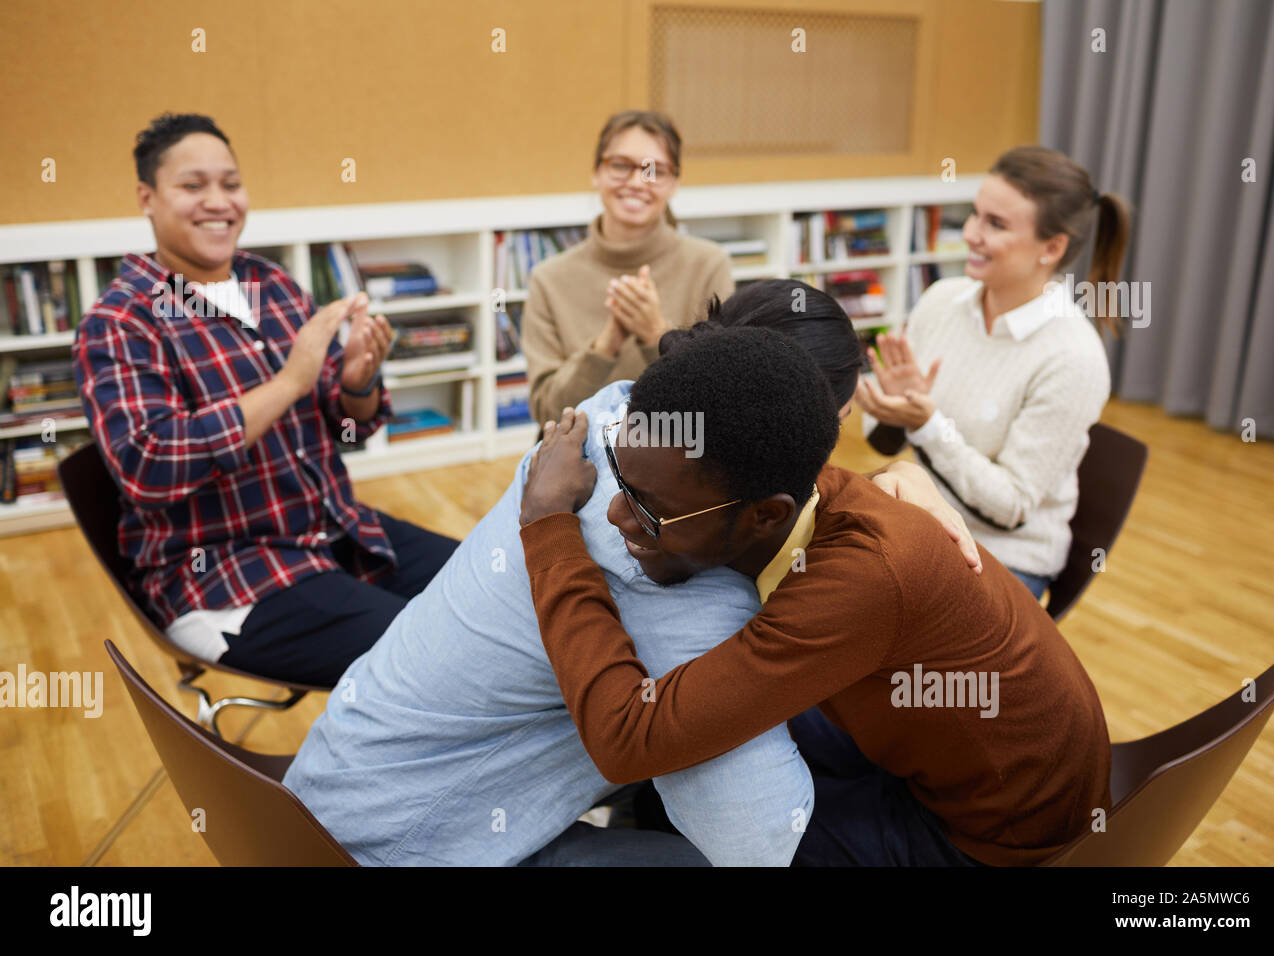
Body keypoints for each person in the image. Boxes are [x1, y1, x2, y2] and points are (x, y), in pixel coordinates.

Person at [517, 324, 1113, 867]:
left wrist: (548, 527)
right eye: (624, 482)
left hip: (995, 844)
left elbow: (628, 738)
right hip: (972, 771)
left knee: (664, 812)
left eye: (652, 507)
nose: (619, 514)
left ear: (764, 516)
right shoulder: (797, 490)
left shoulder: (861, 580)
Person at [72, 113, 459, 687]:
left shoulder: (270, 283)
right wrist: (287, 384)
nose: (219, 202)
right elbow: (147, 468)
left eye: (231, 184)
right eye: (193, 185)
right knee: (440, 660)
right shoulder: (119, 321)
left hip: (334, 529)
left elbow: (349, 427)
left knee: (502, 588)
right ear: (146, 198)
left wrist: (354, 382)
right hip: (223, 575)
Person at [856, 144, 1131, 599]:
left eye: (995, 224)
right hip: (920, 531)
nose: (969, 234)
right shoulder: (942, 300)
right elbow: (883, 441)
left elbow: (1010, 508)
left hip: (1005, 560)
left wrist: (927, 426)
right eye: (974, 214)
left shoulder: (1073, 358)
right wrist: (896, 413)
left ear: (1053, 247)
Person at [522, 110, 733, 425]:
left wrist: (656, 336)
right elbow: (547, 414)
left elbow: (719, 400)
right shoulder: (548, 279)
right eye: (621, 166)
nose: (637, 182)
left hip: (681, 455)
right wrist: (604, 348)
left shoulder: (709, 265)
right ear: (596, 173)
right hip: (580, 462)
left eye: (655, 170)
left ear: (674, 183)